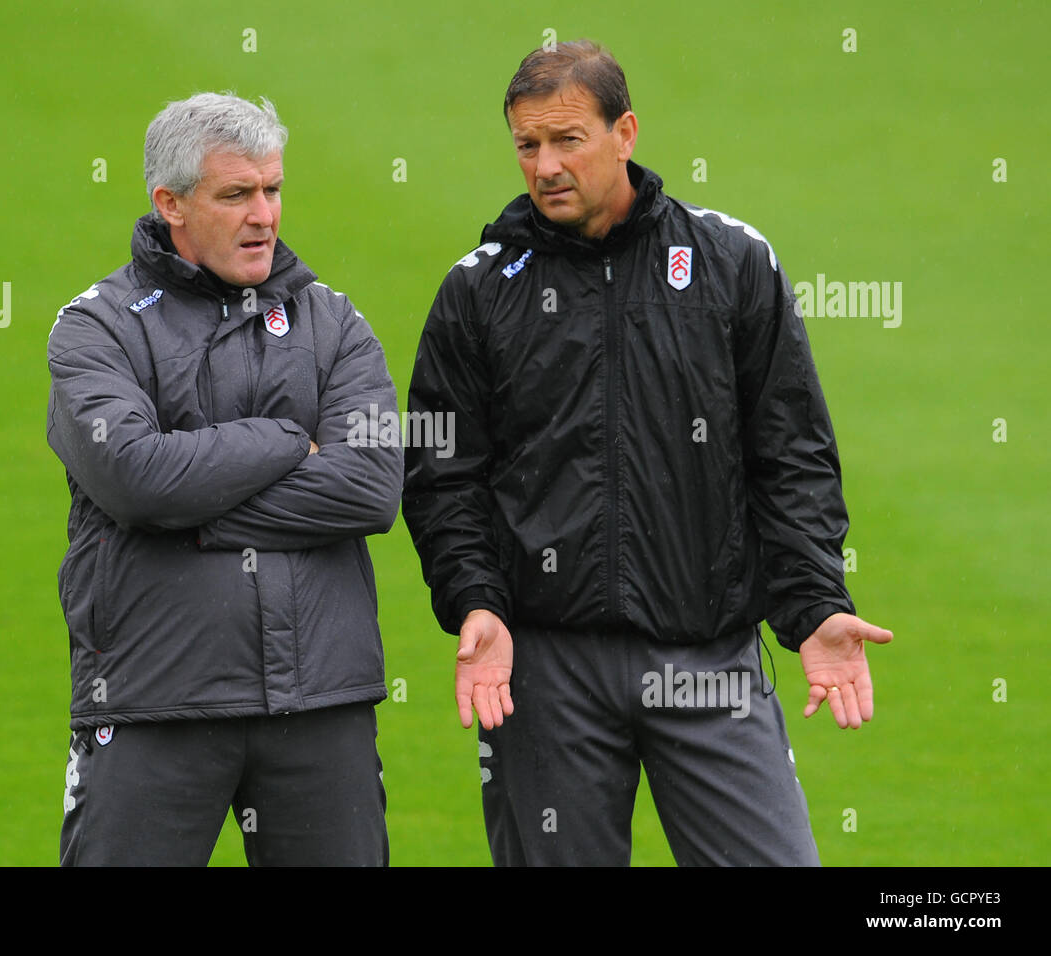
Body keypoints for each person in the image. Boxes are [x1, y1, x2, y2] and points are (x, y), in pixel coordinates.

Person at [402, 40, 893, 866]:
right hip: (547, 670)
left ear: (625, 132)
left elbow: (791, 454)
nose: (546, 165)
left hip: (708, 659)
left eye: (568, 140)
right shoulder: (480, 290)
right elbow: (441, 474)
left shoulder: (729, 263)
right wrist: (477, 602)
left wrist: (812, 604)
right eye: (528, 145)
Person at [47, 92, 401, 866]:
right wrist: (284, 440)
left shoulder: (334, 322)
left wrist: (195, 506)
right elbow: (136, 478)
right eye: (236, 194)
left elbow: (371, 486)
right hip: (154, 701)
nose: (264, 215)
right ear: (169, 203)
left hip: (321, 704)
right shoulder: (97, 327)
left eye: (272, 190)